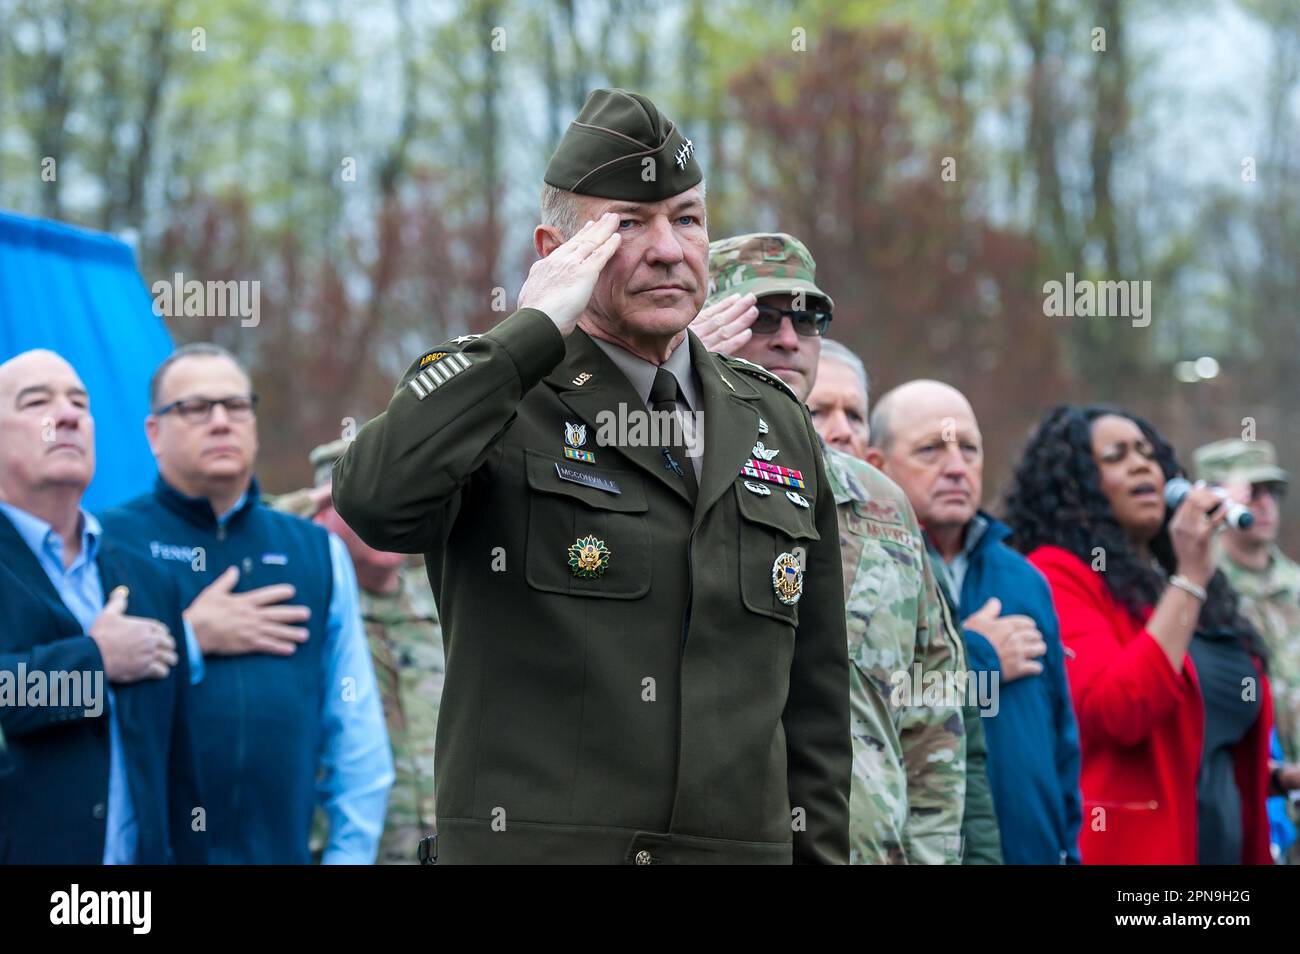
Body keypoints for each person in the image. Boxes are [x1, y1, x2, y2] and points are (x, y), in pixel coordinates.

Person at [333, 88, 851, 865]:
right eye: (626, 224)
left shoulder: (772, 420)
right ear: (556, 249)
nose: (669, 249)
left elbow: (815, 702)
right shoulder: (498, 397)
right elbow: (376, 500)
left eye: (686, 218)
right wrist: (530, 333)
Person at [692, 235, 967, 864]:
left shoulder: (881, 502)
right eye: (763, 315)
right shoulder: (668, 473)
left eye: (808, 318)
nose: (790, 338)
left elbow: (931, 707)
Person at [98, 343, 393, 864]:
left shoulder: (314, 551)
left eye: (236, 407)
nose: (220, 421)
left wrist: (347, 857)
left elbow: (357, 738)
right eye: (194, 408)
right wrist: (188, 638)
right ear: (153, 434)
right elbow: (81, 704)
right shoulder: (107, 543)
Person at [1005, 405, 1274, 864]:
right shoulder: (1059, 576)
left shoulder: (1167, 584)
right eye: (1116, 456)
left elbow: (1193, 738)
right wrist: (1189, 577)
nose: (1141, 464)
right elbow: (1117, 710)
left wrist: (1272, 776)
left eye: (1148, 453)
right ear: (1074, 482)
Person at [0, 349, 205, 864]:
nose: (68, 415)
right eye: (36, 402)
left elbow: (179, 771)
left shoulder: (150, 579)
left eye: (79, 402)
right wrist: (95, 662)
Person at [866, 379, 1082, 864]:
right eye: (931, 451)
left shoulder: (1024, 578)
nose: (957, 468)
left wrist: (1067, 849)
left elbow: (1061, 738)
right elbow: (865, 709)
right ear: (876, 465)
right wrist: (980, 658)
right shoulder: (863, 567)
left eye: (969, 448)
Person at [271, 438, 444, 865]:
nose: (385, 515)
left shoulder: (442, 602)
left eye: (396, 498)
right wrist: (310, 501)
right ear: (324, 513)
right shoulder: (304, 605)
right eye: (366, 502)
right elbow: (241, 532)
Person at [1194, 438, 1300, 860]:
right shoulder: (1198, 588)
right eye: (1251, 493)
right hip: (1243, 792)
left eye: (1272, 492)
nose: (1266, 505)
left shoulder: (1295, 585)